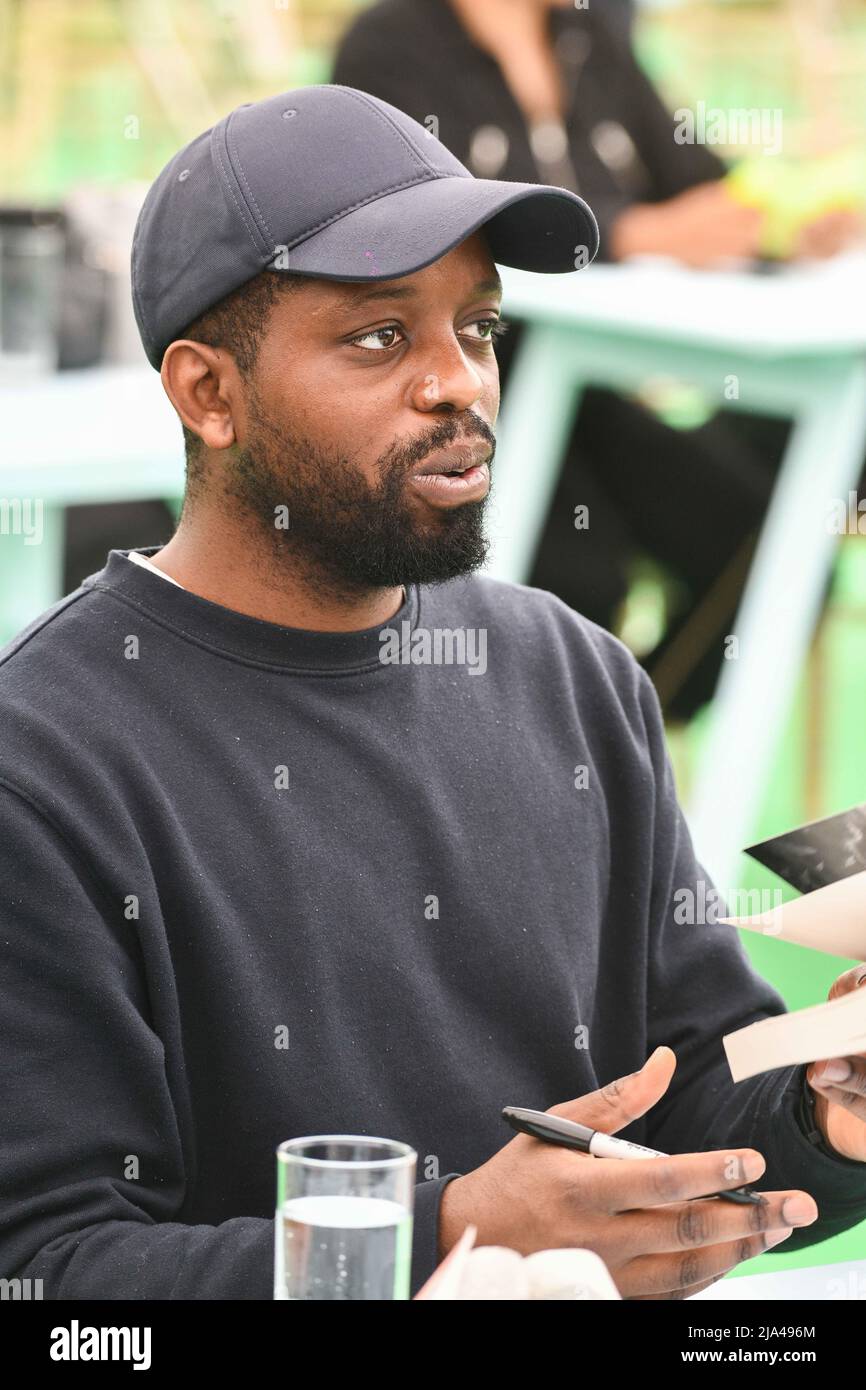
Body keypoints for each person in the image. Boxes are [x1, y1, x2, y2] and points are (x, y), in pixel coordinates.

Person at [1, 84, 865, 1303]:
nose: (457, 383)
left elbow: (687, 1110)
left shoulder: (573, 677)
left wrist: (830, 1113)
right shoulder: (44, 765)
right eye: (377, 337)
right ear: (208, 394)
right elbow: (47, 1278)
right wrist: (441, 1238)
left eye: (479, 329)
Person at [331, 0, 863, 720]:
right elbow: (413, 226)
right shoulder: (390, 44)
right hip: (470, 389)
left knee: (769, 535)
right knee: (574, 575)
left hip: (602, 386)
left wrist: (777, 226)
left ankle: (627, 731)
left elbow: (697, 180)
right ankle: (567, 754)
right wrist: (633, 233)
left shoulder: (587, 35)